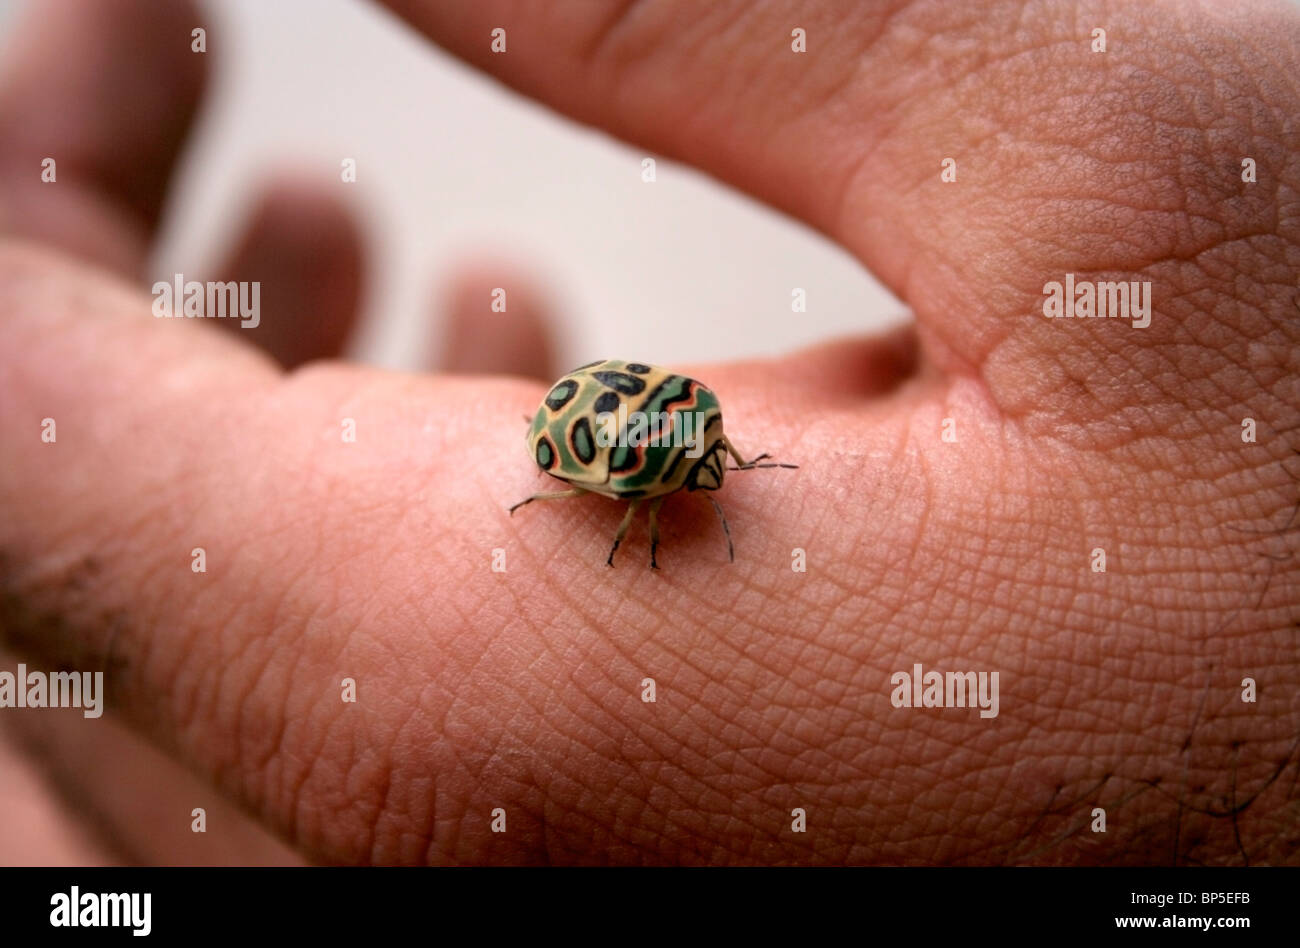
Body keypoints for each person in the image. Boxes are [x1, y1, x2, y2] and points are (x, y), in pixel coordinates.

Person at [0, 0, 1296, 865]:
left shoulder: (684, 446)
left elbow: (662, 434)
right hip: (597, 431)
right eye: (702, 475)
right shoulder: (640, 473)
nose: (718, 480)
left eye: (707, 471)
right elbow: (585, 451)